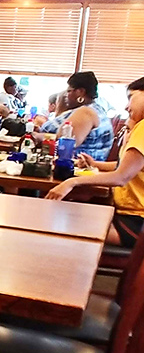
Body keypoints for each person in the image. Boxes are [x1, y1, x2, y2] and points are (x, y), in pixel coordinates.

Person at [47, 77, 144, 245]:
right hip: (127, 215)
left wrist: (71, 182)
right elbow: (127, 167)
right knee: (67, 216)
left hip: (134, 222)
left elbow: (121, 177)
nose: (126, 106)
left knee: (61, 226)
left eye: (131, 97)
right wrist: (95, 164)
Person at [39, 71, 113, 160]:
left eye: (69, 91)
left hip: (78, 165)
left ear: (80, 92)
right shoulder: (95, 109)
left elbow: (63, 143)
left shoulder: (86, 113)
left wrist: (37, 136)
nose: (66, 96)